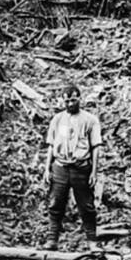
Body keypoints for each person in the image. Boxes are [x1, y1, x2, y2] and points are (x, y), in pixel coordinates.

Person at [42, 83, 101, 249]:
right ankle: (52, 240)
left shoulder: (90, 120)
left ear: (80, 99)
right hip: (60, 166)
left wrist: (94, 172)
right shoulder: (57, 119)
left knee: (86, 206)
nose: (70, 104)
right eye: (67, 101)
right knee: (55, 204)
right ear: (63, 101)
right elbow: (51, 146)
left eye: (74, 100)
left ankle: (92, 242)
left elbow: (96, 147)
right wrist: (47, 168)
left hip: (81, 168)